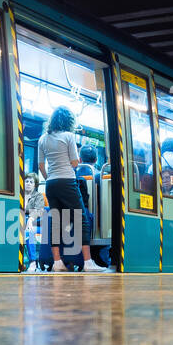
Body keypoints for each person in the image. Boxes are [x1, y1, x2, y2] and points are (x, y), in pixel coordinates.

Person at [37, 107, 105, 273]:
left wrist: (49, 178)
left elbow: (40, 165)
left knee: (56, 221)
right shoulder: (68, 136)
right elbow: (75, 163)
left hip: (51, 184)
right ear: (68, 122)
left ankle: (57, 262)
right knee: (81, 218)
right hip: (67, 181)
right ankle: (88, 262)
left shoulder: (42, 139)